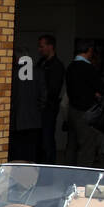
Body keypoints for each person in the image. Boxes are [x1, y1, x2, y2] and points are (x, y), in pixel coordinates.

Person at [64, 41, 104, 166]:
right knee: (87, 146)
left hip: (72, 109)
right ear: (89, 51)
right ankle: (82, 179)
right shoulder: (88, 68)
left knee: (72, 144)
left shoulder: (70, 67)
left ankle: (68, 174)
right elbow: (101, 88)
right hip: (86, 112)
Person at [9, 48, 46, 162]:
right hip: (34, 120)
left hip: (16, 120)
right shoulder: (39, 72)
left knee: (17, 152)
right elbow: (44, 95)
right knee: (31, 152)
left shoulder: (12, 73)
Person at [35, 34, 65, 163]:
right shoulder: (41, 63)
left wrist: (42, 101)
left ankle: (48, 169)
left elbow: (53, 90)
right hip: (38, 110)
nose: (39, 49)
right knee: (39, 140)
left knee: (47, 140)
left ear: (50, 46)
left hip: (48, 109)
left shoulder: (57, 66)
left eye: (42, 46)